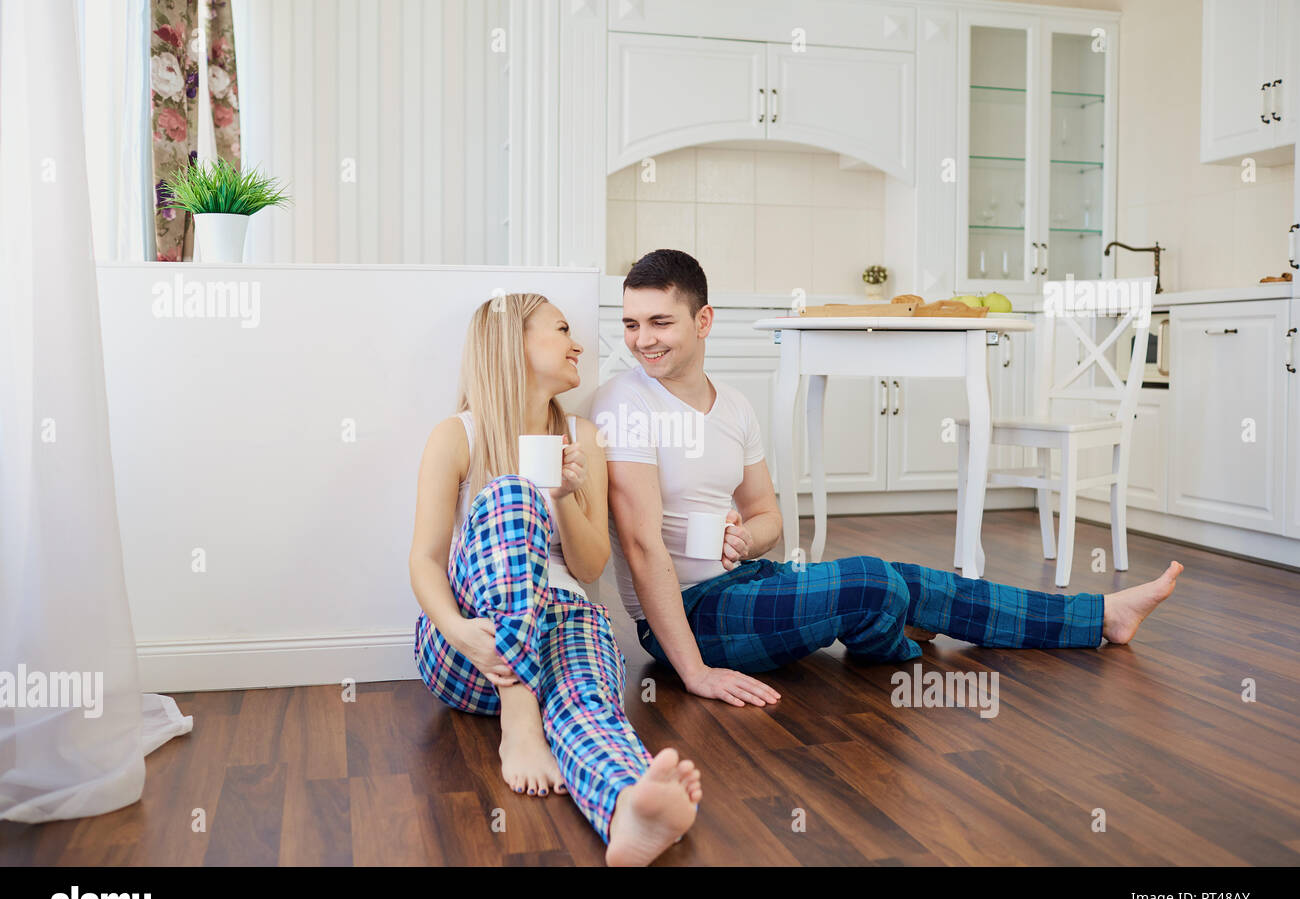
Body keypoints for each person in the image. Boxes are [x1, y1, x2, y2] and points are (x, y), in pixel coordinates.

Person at [591, 249, 1184, 708]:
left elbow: (767, 515)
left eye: (659, 322)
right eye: (631, 324)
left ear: (703, 320)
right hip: (688, 619)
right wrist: (694, 673)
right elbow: (643, 548)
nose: (642, 340)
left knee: (904, 578)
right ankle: (893, 632)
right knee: (876, 583)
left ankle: (1100, 616)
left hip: (744, 580)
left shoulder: (735, 406)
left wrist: (746, 540)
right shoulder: (625, 402)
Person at [409, 292, 701, 865]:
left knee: (586, 703)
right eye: (562, 330)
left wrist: (564, 497)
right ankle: (518, 714)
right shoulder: (457, 436)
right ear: (513, 344)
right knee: (512, 492)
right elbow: (424, 559)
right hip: (469, 648)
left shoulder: (585, 437)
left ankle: (627, 807)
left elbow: (590, 568)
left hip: (564, 620)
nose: (578, 342)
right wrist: (459, 629)